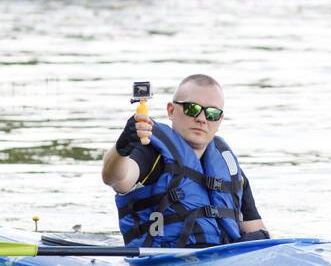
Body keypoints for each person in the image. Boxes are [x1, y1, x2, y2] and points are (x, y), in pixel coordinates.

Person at [101, 73, 268, 247]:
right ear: (171, 111)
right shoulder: (150, 151)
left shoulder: (231, 170)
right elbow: (116, 179)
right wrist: (122, 147)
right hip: (160, 264)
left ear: (220, 120)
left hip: (218, 264)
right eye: (192, 109)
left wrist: (258, 240)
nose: (201, 119)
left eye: (212, 113)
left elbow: (256, 230)